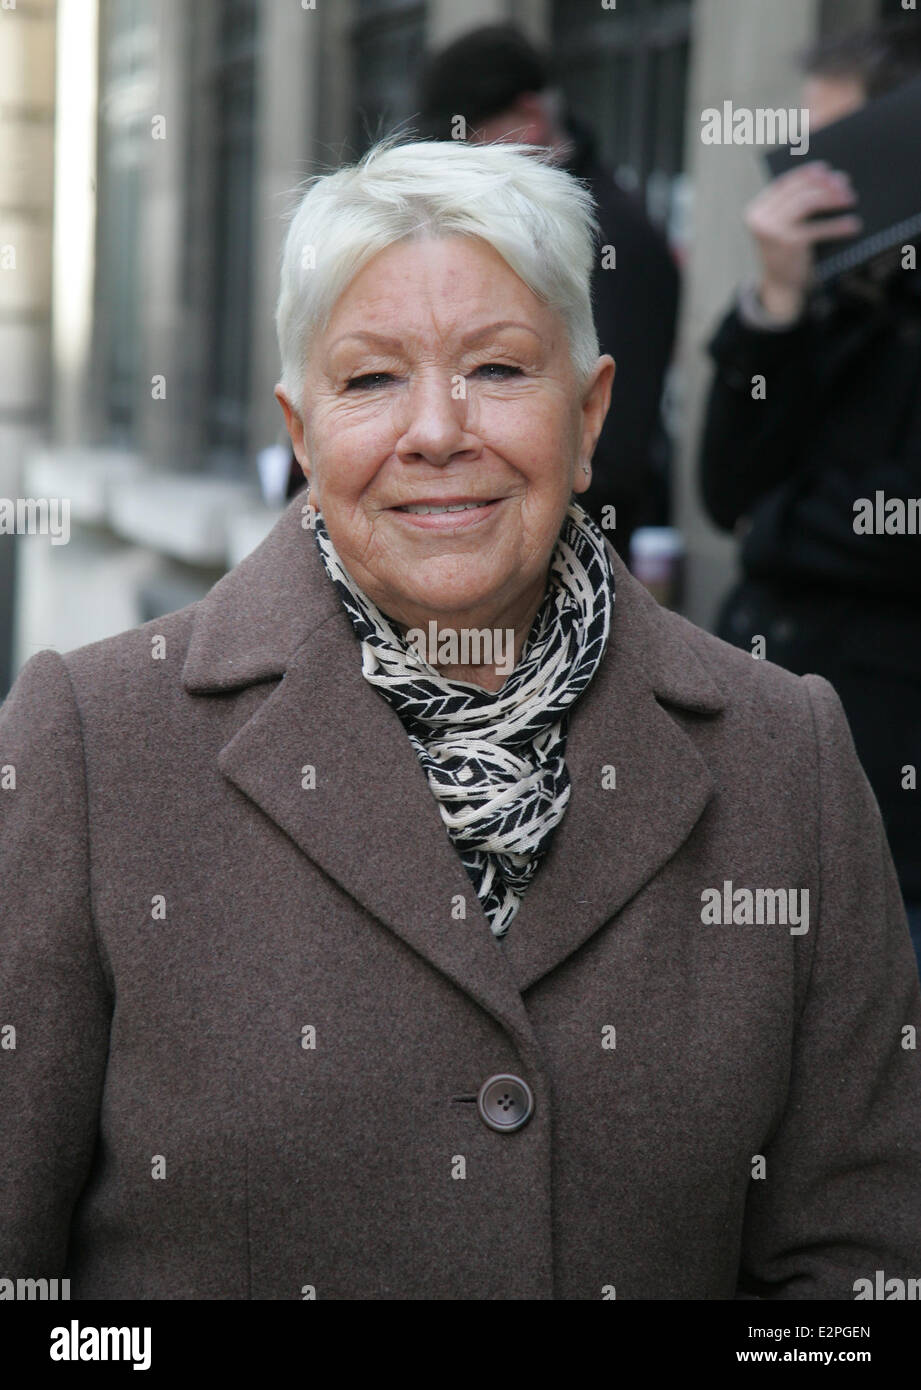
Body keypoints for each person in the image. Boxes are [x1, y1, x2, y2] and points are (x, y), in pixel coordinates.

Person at [2, 139, 920, 1300]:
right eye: (372, 379)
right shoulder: (91, 741)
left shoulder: (784, 749)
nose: (437, 430)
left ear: (590, 418)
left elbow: (863, 1263)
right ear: (300, 433)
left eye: (496, 369)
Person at [698, 17, 921, 972]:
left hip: (891, 784)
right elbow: (723, 488)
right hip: (768, 750)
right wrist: (775, 309)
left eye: (825, 153)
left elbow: (893, 526)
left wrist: (772, 525)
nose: (801, 184)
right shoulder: (819, 293)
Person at [415, 23, 680, 561]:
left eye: (465, 142)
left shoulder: (616, 242)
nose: (455, 166)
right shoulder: (489, 223)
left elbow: (610, 456)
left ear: (530, 119)